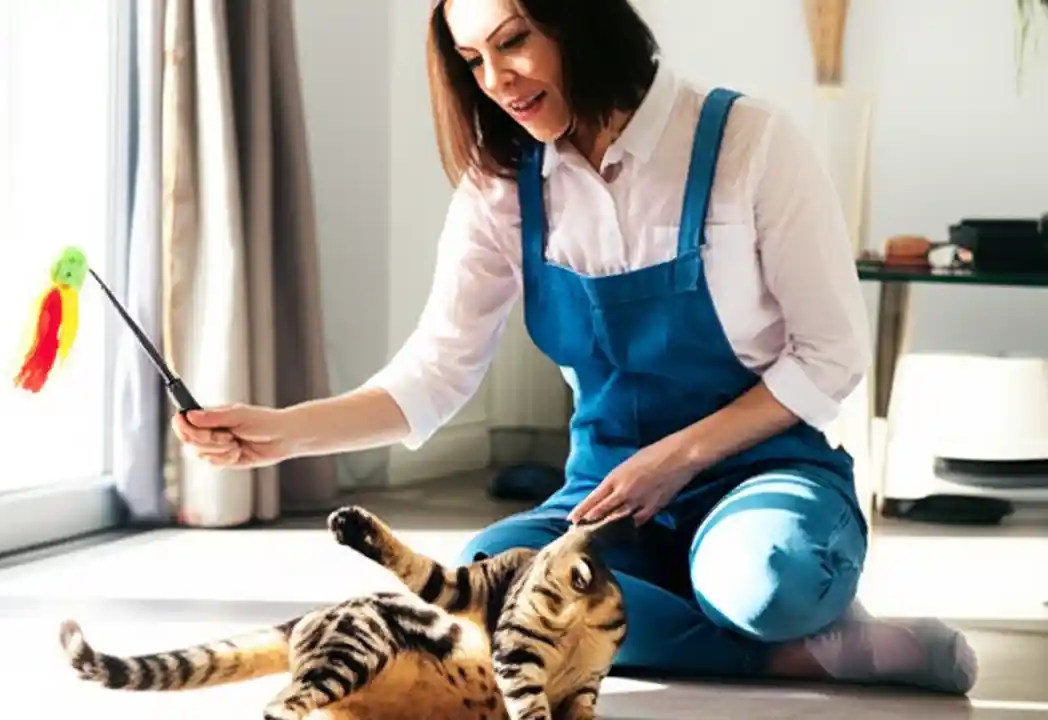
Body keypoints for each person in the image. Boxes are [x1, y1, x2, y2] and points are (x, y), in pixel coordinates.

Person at [172, 0, 977, 695]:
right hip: (605, 502)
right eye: (472, 59)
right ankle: (803, 655)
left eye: (514, 39)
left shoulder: (748, 143)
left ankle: (746, 602)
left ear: (579, 17)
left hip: (761, 473)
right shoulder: (501, 188)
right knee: (483, 586)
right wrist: (279, 431)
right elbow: (435, 372)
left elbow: (831, 355)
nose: (495, 80)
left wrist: (675, 459)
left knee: (769, 582)